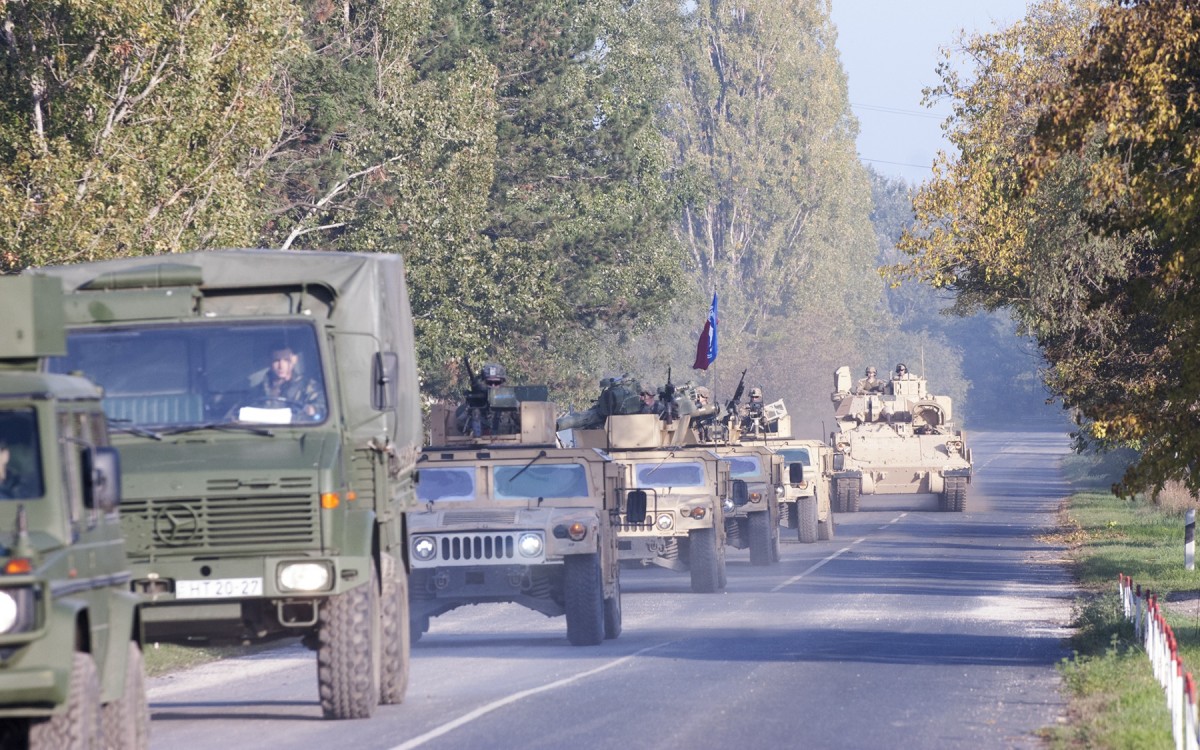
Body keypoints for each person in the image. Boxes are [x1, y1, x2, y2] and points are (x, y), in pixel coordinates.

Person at [248, 344, 327, 420]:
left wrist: (313, 409)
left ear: (294, 360)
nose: (281, 366)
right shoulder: (258, 390)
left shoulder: (308, 386)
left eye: (286, 360)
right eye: (276, 360)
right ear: (268, 361)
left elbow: (325, 409)